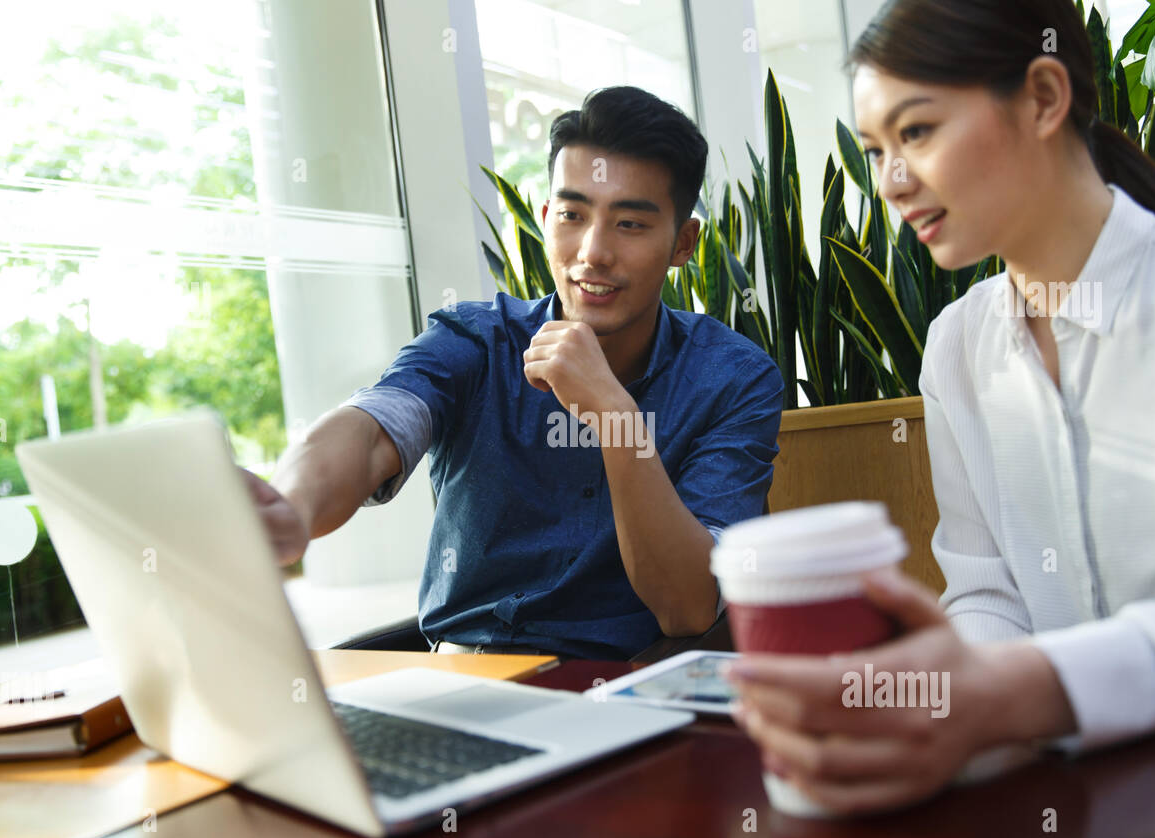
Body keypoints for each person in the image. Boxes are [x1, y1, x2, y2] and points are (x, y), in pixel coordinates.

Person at [727, 0, 1155, 814]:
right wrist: (942, 697)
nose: (891, 182)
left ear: (1043, 97)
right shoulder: (958, 346)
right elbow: (988, 594)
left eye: (918, 132)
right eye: (873, 149)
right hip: (1068, 800)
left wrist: (1009, 694)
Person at [245, 86, 784, 661]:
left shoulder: (734, 378)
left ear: (683, 243)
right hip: (462, 682)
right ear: (547, 218)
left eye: (629, 224)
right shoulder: (476, 340)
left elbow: (688, 606)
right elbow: (375, 428)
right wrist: (291, 506)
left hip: (628, 692)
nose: (593, 252)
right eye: (573, 216)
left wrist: (614, 416)